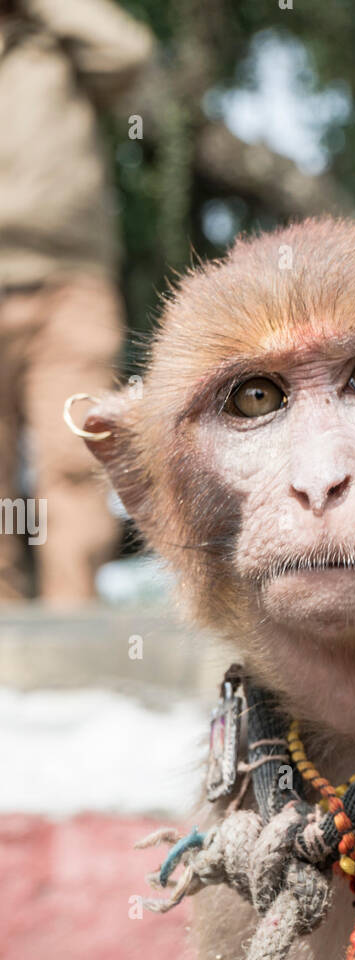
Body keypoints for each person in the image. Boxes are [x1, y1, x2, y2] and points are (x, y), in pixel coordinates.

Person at [0, 0, 153, 603]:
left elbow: (130, 52)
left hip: (68, 284)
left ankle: (72, 633)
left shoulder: (62, 39)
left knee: (75, 458)